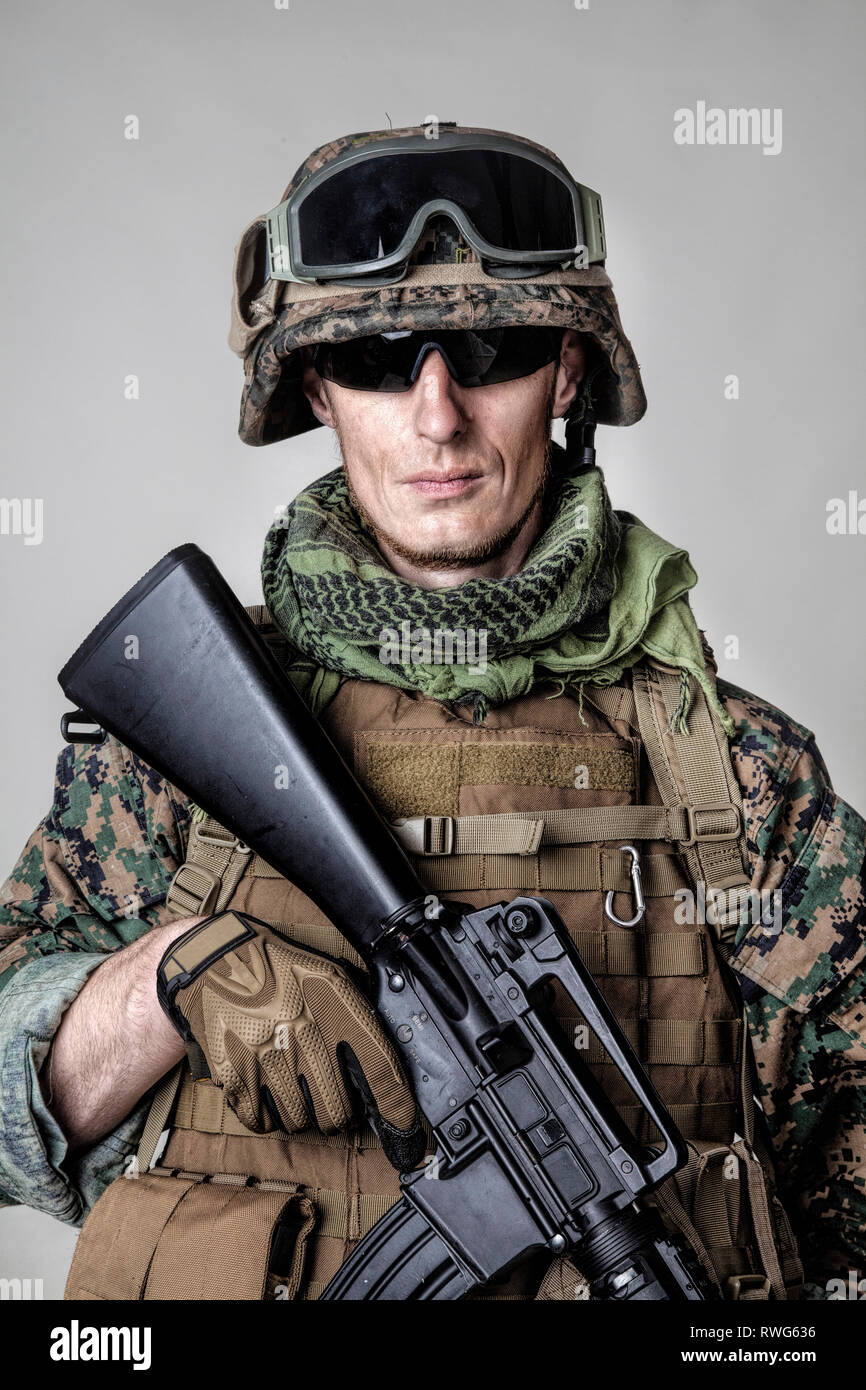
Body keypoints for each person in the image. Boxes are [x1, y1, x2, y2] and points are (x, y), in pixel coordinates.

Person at [0, 123, 863, 1302]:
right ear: (315, 387)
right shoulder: (173, 762)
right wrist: (168, 979)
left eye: (489, 348)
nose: (437, 413)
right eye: (378, 359)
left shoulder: (734, 773)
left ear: (565, 371)